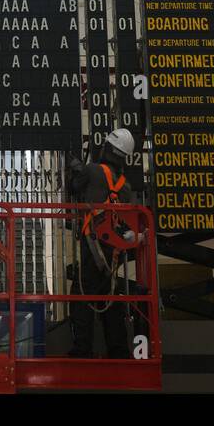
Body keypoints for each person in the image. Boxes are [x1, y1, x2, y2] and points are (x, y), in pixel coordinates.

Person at [67, 128, 139, 358]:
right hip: (112, 250)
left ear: (107, 148)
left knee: (81, 293)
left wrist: (77, 169)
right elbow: (130, 225)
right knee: (109, 293)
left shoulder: (92, 171)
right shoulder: (125, 186)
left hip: (93, 244)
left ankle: (82, 349)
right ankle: (118, 350)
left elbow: (74, 188)